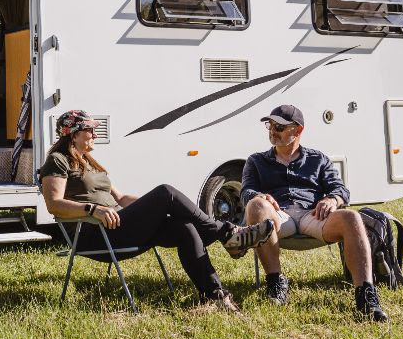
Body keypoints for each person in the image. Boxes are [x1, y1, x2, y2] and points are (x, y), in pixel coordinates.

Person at [40, 109, 273, 312]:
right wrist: (93, 210)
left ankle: (214, 294)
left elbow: (120, 198)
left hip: (115, 227)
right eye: (90, 130)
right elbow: (54, 204)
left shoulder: (88, 162)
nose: (95, 134)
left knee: (185, 227)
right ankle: (227, 234)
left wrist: (155, 207)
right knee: (166, 192)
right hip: (95, 235)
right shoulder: (58, 160)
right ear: (73, 133)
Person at [241, 104, 389, 323]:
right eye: (270, 125)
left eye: (279, 127)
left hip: (313, 215)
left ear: (297, 130)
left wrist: (333, 199)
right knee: (255, 205)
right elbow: (247, 191)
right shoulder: (256, 160)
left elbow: (341, 189)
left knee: (351, 217)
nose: (272, 131)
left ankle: (366, 294)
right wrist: (261, 196)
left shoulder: (318, 159)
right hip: (279, 216)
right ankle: (276, 283)